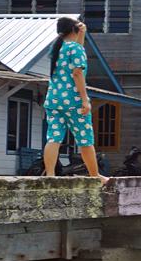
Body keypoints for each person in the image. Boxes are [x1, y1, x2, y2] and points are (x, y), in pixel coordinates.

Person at [41, 17, 107, 179]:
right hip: (73, 100)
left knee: (53, 137)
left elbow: (76, 52)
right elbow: (77, 72)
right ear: (74, 30)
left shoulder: (57, 48)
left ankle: (50, 174)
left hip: (54, 99)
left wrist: (81, 34)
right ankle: (95, 175)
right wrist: (85, 100)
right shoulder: (76, 49)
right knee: (85, 138)